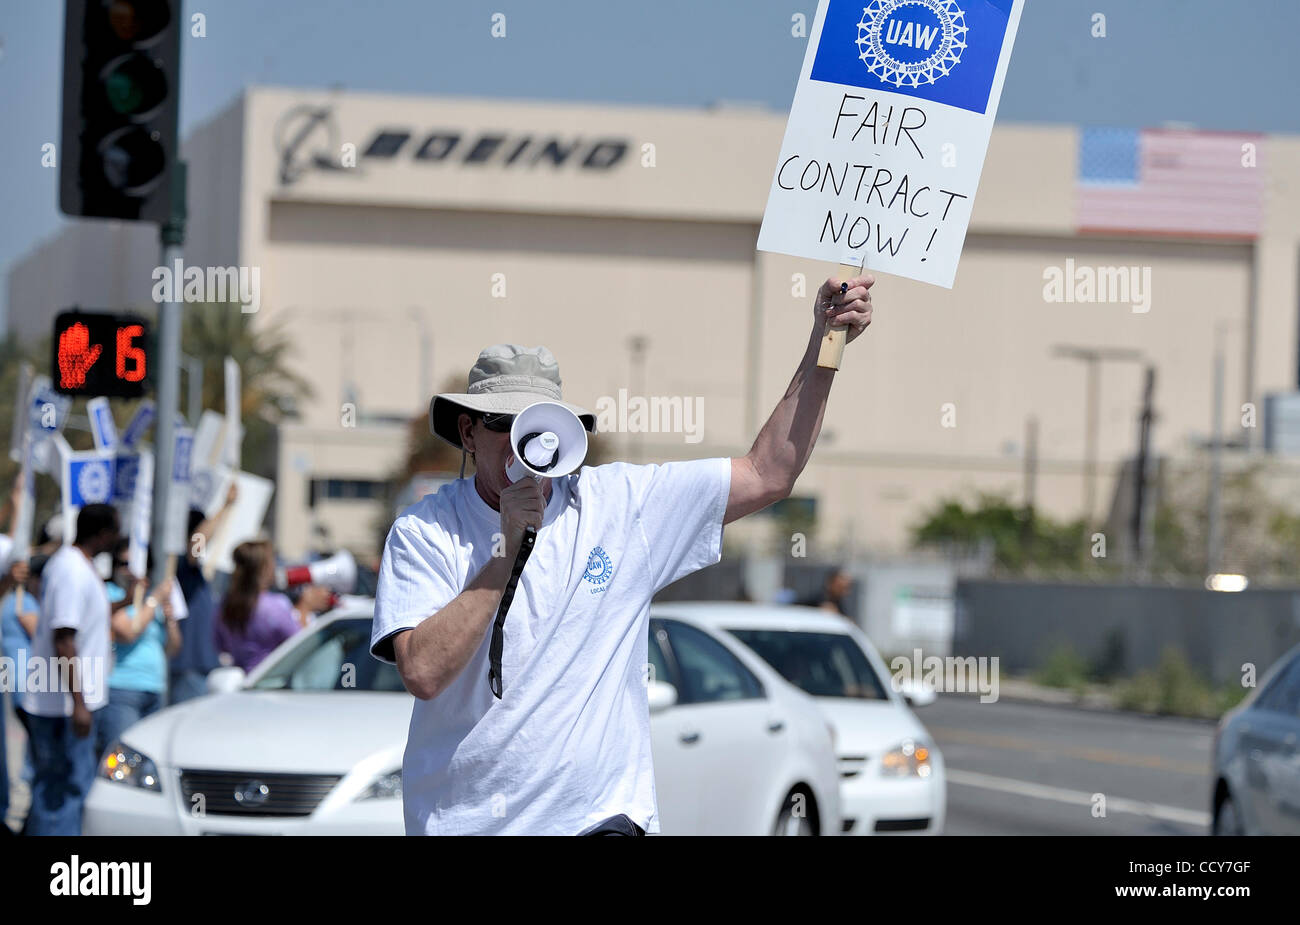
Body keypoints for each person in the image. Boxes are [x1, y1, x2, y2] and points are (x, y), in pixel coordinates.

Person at [370, 275, 873, 836]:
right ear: (467, 432)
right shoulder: (426, 530)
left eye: (536, 425)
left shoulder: (620, 506)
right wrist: (506, 553)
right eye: (503, 424)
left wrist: (826, 343)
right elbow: (423, 672)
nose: (523, 443)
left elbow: (768, 472)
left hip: (598, 822)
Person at [23, 503, 121, 836]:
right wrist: (78, 703)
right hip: (62, 707)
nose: (119, 538)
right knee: (60, 795)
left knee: (64, 790)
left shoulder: (80, 566)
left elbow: (88, 619)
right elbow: (64, 638)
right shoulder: (71, 570)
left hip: (69, 702)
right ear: (104, 533)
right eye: (116, 530)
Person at [96, 541, 184, 760]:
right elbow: (128, 632)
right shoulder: (111, 594)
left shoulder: (149, 602)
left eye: (135, 564)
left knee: (147, 758)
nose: (129, 570)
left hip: (154, 687)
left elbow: (172, 648)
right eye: (123, 564)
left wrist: (171, 620)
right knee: (120, 758)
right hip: (123, 688)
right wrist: (154, 601)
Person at [169, 488, 237, 704]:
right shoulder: (181, 564)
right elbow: (196, 544)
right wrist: (225, 506)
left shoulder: (196, 572)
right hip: (189, 669)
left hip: (204, 668)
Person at [214, 540, 300, 673]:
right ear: (264, 568)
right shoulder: (276, 605)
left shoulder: (225, 606)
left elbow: (221, 645)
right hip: (271, 680)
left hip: (241, 681)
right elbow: (298, 644)